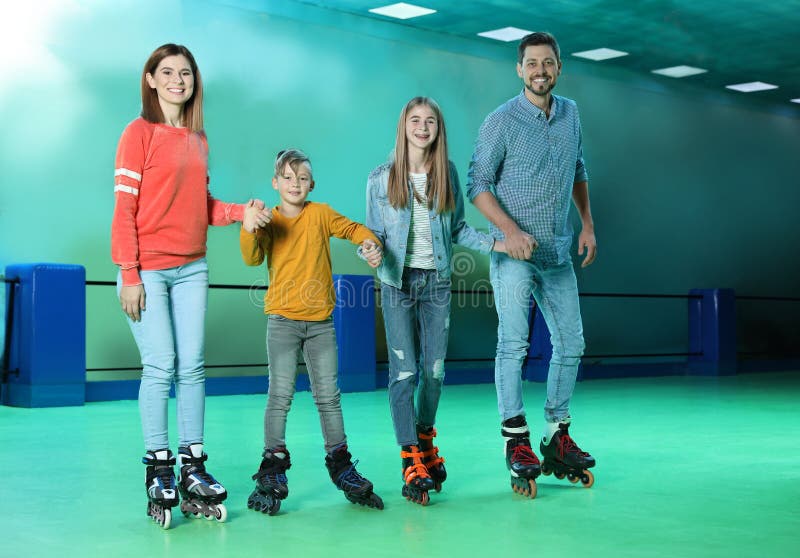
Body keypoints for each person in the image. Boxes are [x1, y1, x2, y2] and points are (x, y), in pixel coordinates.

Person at [111, 43, 271, 529]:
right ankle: (159, 469)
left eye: (186, 73)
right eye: (168, 72)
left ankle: (193, 467)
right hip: (147, 270)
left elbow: (200, 206)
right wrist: (130, 273)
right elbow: (124, 211)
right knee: (161, 365)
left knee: (193, 367)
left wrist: (242, 212)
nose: (179, 80)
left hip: (191, 267)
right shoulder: (138, 134)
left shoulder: (197, 139)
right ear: (150, 79)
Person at [466, 32, 598, 499]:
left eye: (548, 63)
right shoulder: (500, 121)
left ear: (558, 67)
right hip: (514, 254)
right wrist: (510, 233)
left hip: (558, 252)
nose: (540, 71)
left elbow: (578, 168)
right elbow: (477, 184)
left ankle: (556, 434)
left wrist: (587, 224)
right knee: (514, 344)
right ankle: (517, 441)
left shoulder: (571, 114)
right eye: (532, 64)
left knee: (572, 343)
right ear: (519, 70)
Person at [365, 97, 505, 506]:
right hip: (397, 285)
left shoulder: (447, 174)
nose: (422, 127)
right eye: (415, 120)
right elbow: (370, 235)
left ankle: (425, 436)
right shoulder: (380, 178)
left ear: (437, 129)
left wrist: (497, 243)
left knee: (435, 372)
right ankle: (409, 455)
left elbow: (459, 228)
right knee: (404, 373)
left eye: (429, 121)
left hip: (437, 285)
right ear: (403, 125)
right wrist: (370, 251)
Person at [241, 148, 385, 515]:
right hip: (283, 321)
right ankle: (273, 462)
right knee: (280, 394)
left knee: (328, 396)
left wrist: (370, 242)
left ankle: (339, 460)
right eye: (287, 178)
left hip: (320, 324)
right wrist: (247, 226)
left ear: (311, 184)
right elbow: (252, 258)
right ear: (275, 183)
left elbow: (351, 228)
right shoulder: (270, 220)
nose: (295, 184)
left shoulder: (320, 214)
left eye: (302, 178)